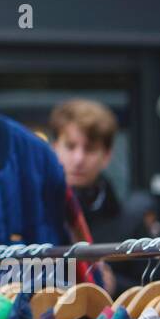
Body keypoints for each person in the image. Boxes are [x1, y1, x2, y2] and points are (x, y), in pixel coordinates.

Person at [49, 98, 158, 294]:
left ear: (107, 155)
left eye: (89, 149)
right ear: (55, 148)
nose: (78, 159)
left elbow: (153, 290)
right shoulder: (35, 211)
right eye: (70, 146)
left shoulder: (131, 219)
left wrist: (114, 285)